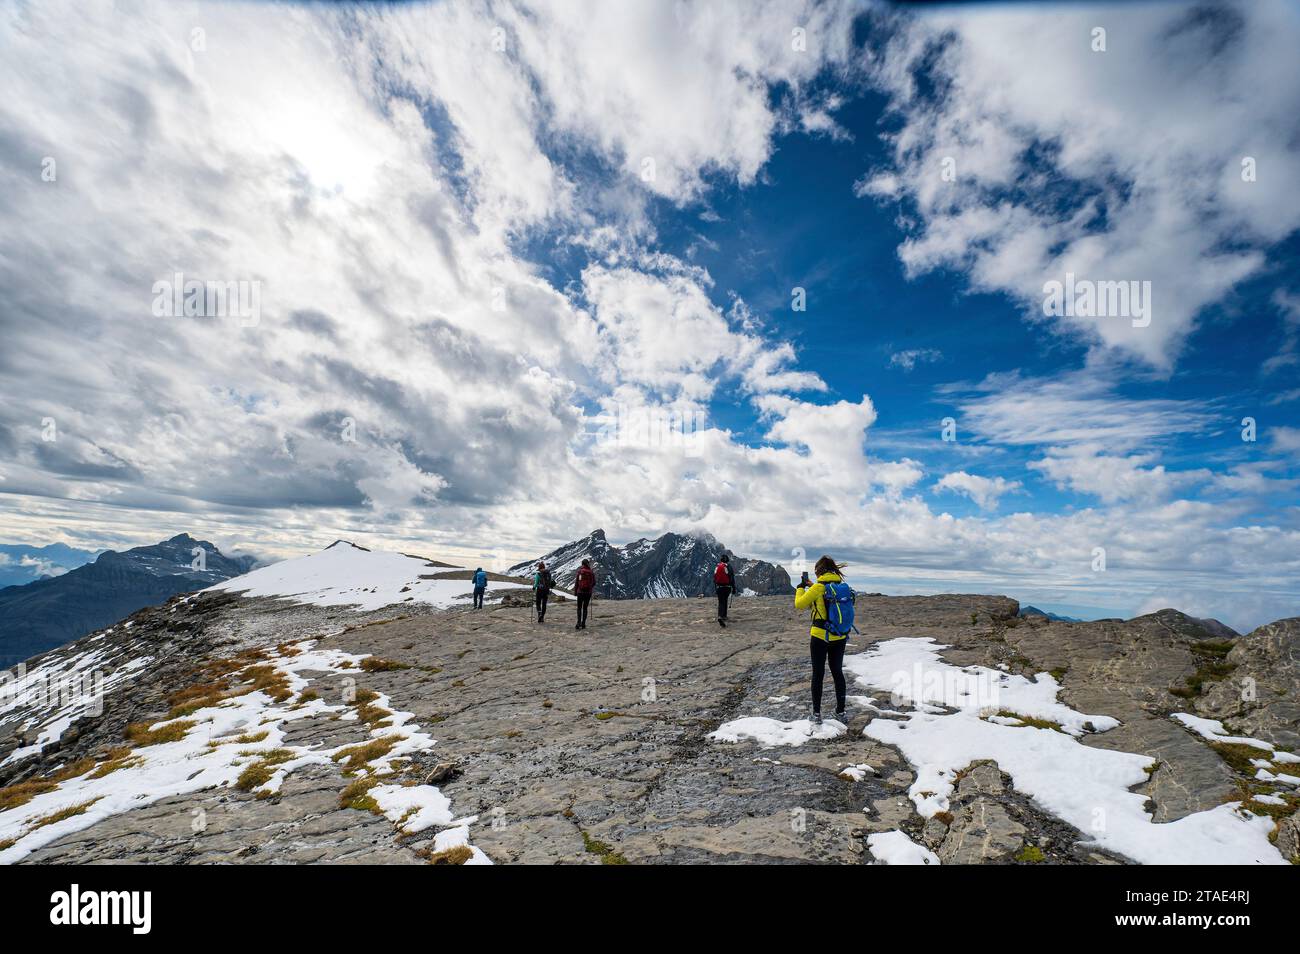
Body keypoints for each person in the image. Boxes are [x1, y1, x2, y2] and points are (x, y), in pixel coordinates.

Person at [794, 555, 852, 726]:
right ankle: (840, 712)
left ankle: (817, 715)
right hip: (840, 636)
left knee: (818, 674)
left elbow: (800, 604)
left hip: (820, 636)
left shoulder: (818, 587)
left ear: (819, 571)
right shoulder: (841, 586)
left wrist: (800, 588)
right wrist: (813, 586)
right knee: (837, 672)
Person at [713, 553, 735, 627]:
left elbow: (714, 578)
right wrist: (733, 588)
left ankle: (720, 616)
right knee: (725, 600)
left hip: (719, 587)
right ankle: (723, 616)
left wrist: (716, 587)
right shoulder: (728, 566)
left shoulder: (717, 567)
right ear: (727, 560)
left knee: (720, 601)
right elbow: (731, 578)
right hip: (727, 587)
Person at [574, 558, 596, 630]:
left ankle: (578, 622)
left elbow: (577, 582)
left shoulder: (580, 571)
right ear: (587, 564)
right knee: (585, 608)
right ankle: (583, 623)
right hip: (588, 593)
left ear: (582, 564)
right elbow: (594, 582)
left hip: (580, 592)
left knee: (579, 608)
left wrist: (575, 592)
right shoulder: (591, 572)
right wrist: (590, 587)